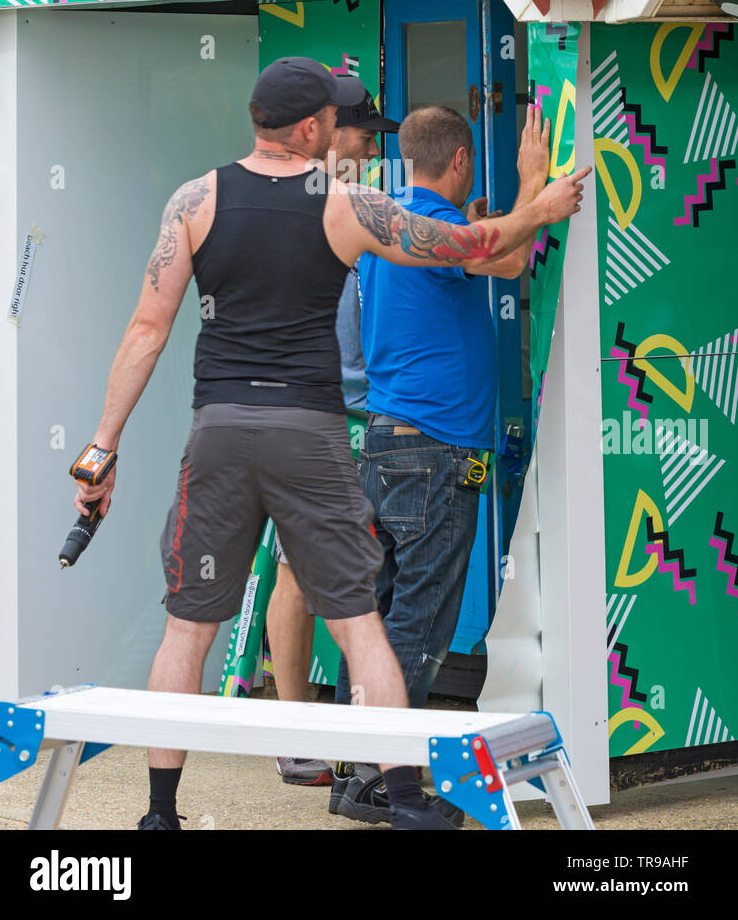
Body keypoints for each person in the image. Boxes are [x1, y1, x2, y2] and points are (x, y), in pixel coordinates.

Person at [73, 57, 588, 831]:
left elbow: (147, 330)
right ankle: (405, 799)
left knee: (187, 627)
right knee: (358, 622)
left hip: (216, 430)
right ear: (312, 127)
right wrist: (540, 206)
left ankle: (159, 815)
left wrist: (101, 450)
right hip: (309, 436)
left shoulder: (194, 199)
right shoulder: (346, 204)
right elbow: (475, 246)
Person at [331, 104, 550, 825]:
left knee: (375, 615)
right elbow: (512, 257)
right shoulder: (441, 236)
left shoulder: (389, 226)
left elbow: (473, 252)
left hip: (388, 447)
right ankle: (383, 783)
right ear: (459, 163)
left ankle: (351, 771)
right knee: (418, 623)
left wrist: (488, 220)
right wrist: (533, 189)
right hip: (437, 452)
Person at [267, 88, 400, 788]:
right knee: (297, 575)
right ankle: (295, 735)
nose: (374, 148)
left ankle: (346, 730)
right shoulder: (296, 202)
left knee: (340, 574)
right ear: (324, 130)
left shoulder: (349, 201)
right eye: (364, 135)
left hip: (359, 416)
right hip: (314, 419)